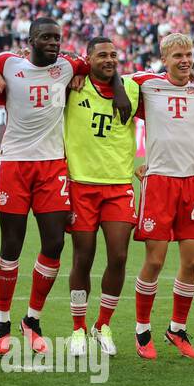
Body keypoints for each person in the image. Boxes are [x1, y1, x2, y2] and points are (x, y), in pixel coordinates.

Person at [0, 17, 128, 356]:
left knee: (53, 244)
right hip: (14, 164)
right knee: (11, 245)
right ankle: (1, 322)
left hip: (52, 166)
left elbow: (104, 64)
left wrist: (120, 88)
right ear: (31, 39)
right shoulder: (7, 63)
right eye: (47, 37)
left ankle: (32, 320)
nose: (54, 43)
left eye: (58, 38)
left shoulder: (67, 65)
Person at [131, 34, 194, 360]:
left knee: (193, 260)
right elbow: (113, 81)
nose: (185, 60)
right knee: (154, 260)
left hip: (192, 183)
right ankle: (142, 330)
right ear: (164, 59)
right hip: (159, 184)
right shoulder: (147, 85)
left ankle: (177, 328)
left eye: (189, 54)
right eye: (178, 55)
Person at [63, 36, 140, 358]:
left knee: (119, 256)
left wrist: (121, 84)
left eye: (113, 55)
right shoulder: (73, 85)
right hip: (81, 183)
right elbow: (59, 60)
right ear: (88, 59)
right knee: (83, 256)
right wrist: (77, 69)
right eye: (101, 55)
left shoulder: (134, 89)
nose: (109, 60)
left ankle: (102, 324)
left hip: (118, 184)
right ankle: (78, 327)